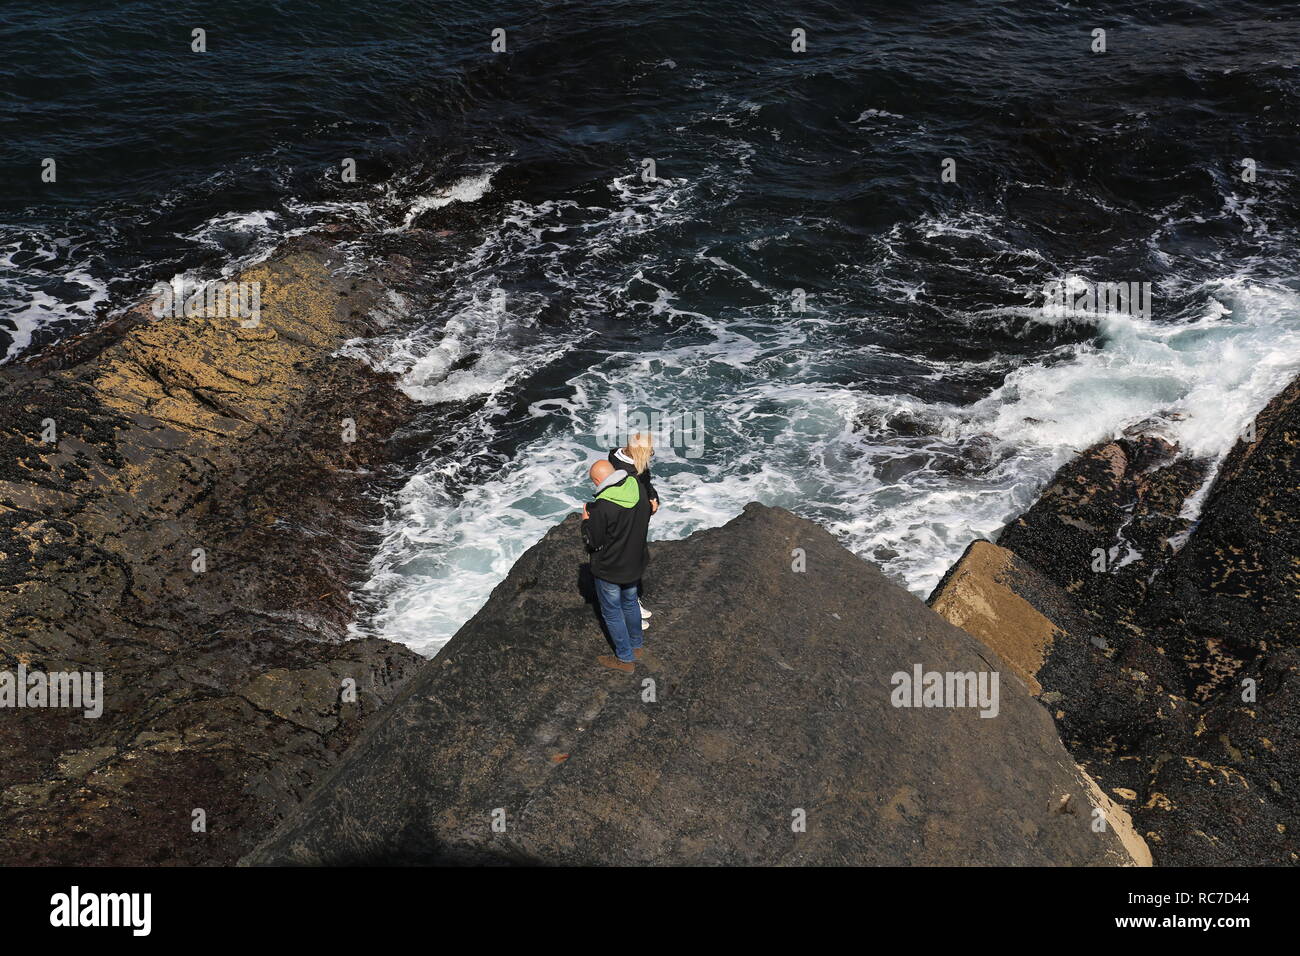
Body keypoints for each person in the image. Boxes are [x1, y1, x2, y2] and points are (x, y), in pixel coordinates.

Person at [580, 458, 651, 672]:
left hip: (610, 569)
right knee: (630, 602)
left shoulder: (602, 507)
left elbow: (593, 542)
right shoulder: (636, 486)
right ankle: (637, 646)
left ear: (598, 480)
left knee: (612, 612)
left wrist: (585, 521)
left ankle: (625, 659)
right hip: (634, 562)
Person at [607, 432, 658, 626]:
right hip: (626, 522)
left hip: (637, 518)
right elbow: (623, 502)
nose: (652, 453)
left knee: (634, 560)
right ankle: (629, 610)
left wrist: (654, 499)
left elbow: (647, 484)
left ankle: (632, 602)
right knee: (627, 562)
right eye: (649, 451)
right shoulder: (623, 471)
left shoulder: (630, 461)